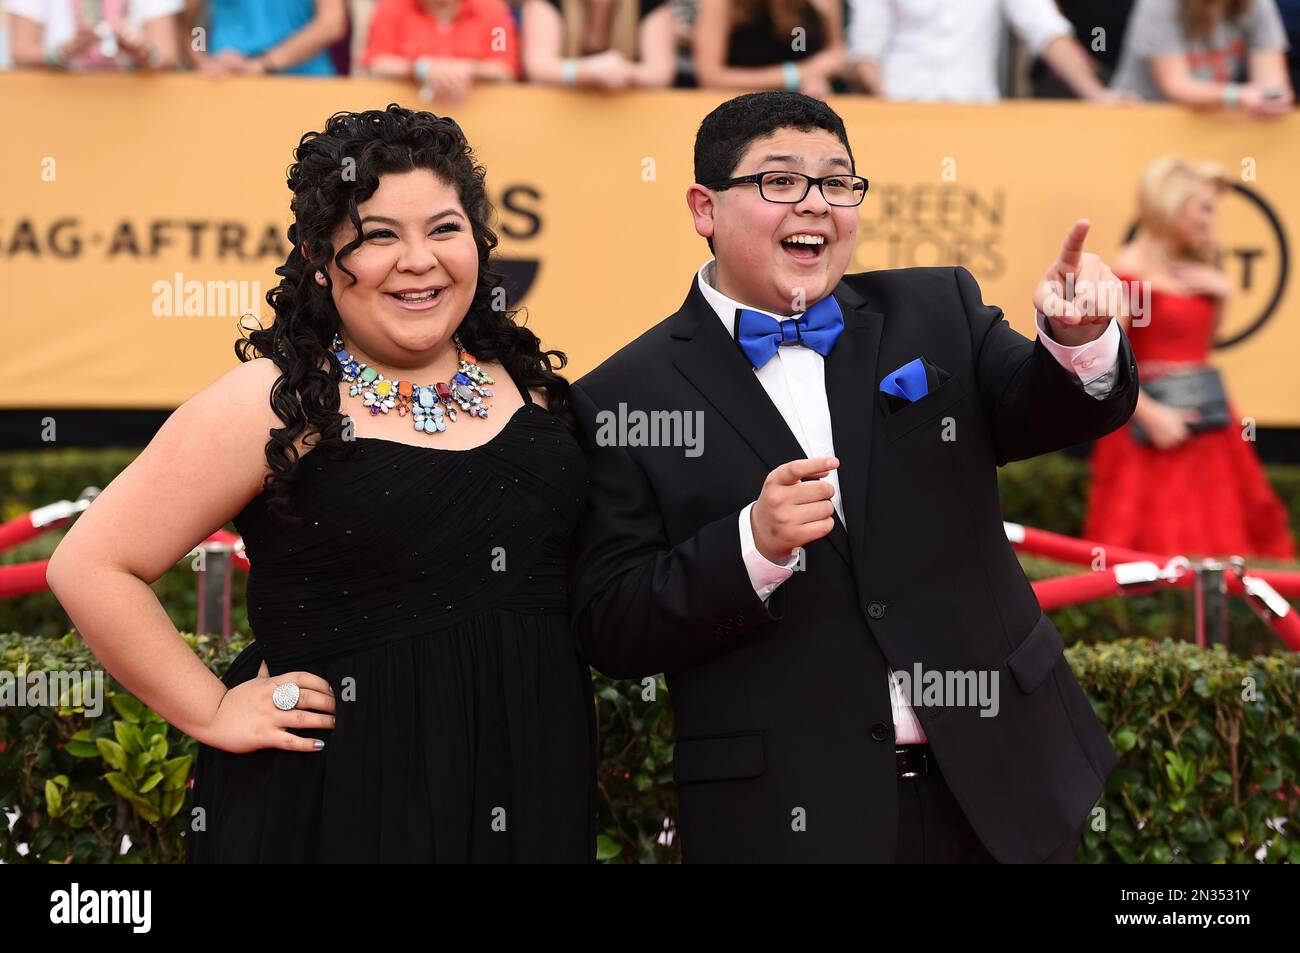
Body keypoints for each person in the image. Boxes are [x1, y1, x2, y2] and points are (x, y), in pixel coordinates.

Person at [569, 91, 1140, 863]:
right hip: (790, 815)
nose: (816, 205)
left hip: (1007, 785)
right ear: (704, 208)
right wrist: (751, 548)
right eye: (780, 182)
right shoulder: (623, 395)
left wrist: (1079, 339)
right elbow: (613, 622)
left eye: (837, 182)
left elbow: (1048, 411)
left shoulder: (938, 309)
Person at [46, 105, 596, 863]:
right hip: (338, 797)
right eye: (378, 237)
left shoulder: (529, 387)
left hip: (529, 780)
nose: (419, 260)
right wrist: (210, 708)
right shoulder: (271, 402)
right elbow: (89, 564)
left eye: (444, 228)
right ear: (317, 255)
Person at [1086, 156, 1295, 559]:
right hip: (1148, 434)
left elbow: (1199, 345)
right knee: (1154, 551)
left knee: (1224, 549)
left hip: (1209, 429)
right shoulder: (1128, 271)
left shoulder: (1197, 269)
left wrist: (1224, 295)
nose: (1210, 221)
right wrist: (1152, 416)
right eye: (1204, 208)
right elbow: (1101, 365)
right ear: (1171, 204)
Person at [846, 0, 1131, 102]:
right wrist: (889, 113)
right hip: (902, 112)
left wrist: (1097, 94)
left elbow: (1044, 29)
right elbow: (867, 53)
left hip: (977, 116)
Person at [1109, 0, 1294, 114]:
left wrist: (1272, 98)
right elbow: (1176, 86)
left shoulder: (1254, 4)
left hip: (1207, 121)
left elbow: (1272, 81)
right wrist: (1238, 96)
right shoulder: (1160, 4)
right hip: (1142, 116)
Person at [361, 0, 519, 105]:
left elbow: (503, 68)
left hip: (479, 114)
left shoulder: (493, 9)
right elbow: (377, 62)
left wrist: (468, 68)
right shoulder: (391, 6)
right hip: (405, 116)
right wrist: (420, 68)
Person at [692, 0, 846, 98]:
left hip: (808, 104)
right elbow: (710, 77)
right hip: (740, 106)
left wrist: (818, 76)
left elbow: (835, 50)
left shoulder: (821, 4)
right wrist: (796, 75)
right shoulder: (722, 4)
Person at [521, 0, 676, 90]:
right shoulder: (549, 3)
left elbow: (660, 73)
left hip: (628, 118)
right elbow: (538, 67)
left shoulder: (650, 3)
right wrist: (585, 72)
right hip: (556, 115)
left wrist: (627, 74)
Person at [182, 0, 347, 76]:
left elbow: (331, 23)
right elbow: (186, 25)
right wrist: (203, 60)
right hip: (225, 82)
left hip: (304, 82)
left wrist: (263, 63)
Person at [6, 0, 183, 70]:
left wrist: (142, 52)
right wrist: (62, 52)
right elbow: (20, 52)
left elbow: (168, 56)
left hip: (133, 109)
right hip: (53, 106)